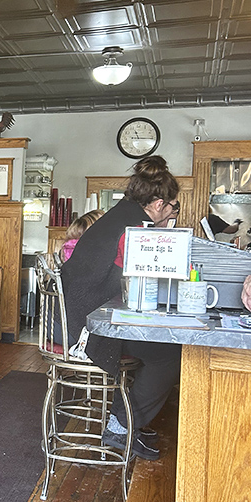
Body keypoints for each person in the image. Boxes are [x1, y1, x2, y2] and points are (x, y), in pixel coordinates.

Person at [60, 156, 182, 461]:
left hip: (85, 315)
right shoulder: (135, 227)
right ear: (157, 204)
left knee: (161, 350)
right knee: (170, 354)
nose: (170, 213)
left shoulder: (120, 215)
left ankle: (130, 420)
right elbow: (138, 281)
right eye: (171, 207)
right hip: (91, 328)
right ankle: (121, 426)